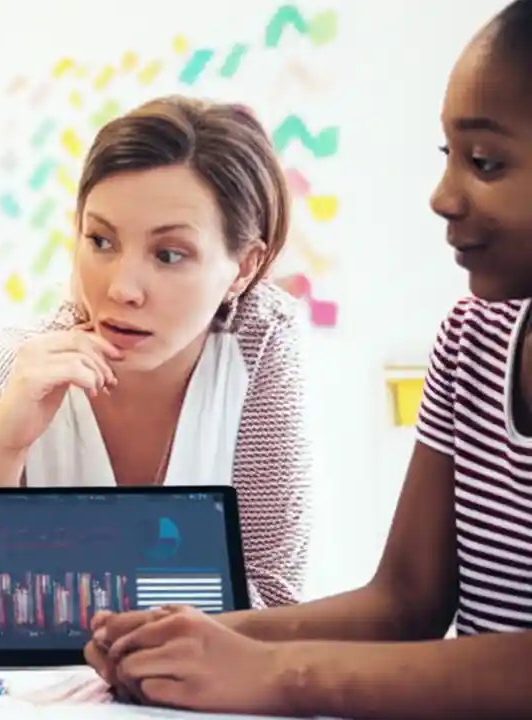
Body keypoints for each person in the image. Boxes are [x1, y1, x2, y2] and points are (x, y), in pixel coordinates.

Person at [87, 3, 532, 717]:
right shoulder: (472, 339)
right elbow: (407, 602)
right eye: (448, 158)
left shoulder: (263, 345)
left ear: (243, 266)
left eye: (486, 163)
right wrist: (193, 641)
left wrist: (281, 673)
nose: (444, 197)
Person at [0, 96, 314, 628]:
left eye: (169, 255)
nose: (121, 289)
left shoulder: (260, 349)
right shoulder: (14, 365)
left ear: (244, 266)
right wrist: (7, 441)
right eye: (100, 241)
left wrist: (62, 591)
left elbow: (275, 603)